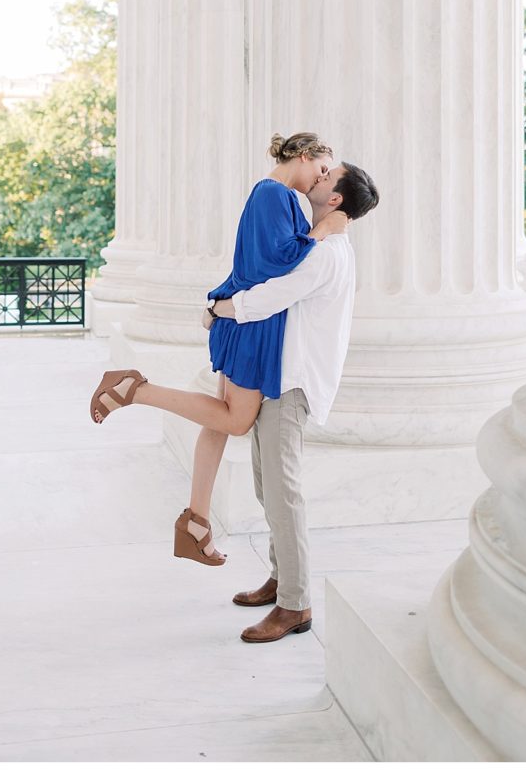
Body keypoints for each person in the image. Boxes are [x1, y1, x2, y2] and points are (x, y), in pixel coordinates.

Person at [89, 132, 341, 565]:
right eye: (320, 169)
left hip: (248, 324)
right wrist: (322, 232)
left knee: (220, 421)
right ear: (303, 156)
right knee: (236, 420)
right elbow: (279, 261)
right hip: (251, 328)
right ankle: (135, 389)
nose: (320, 180)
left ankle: (195, 522)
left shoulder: (278, 197)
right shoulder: (274, 194)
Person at [210, 161, 380, 641]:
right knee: (268, 485)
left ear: (336, 200)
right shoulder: (322, 242)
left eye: (328, 177)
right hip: (279, 376)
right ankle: (281, 577)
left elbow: (272, 296)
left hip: (294, 381)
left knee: (283, 492)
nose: (319, 176)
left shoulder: (325, 254)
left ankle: (295, 605)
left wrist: (218, 309)